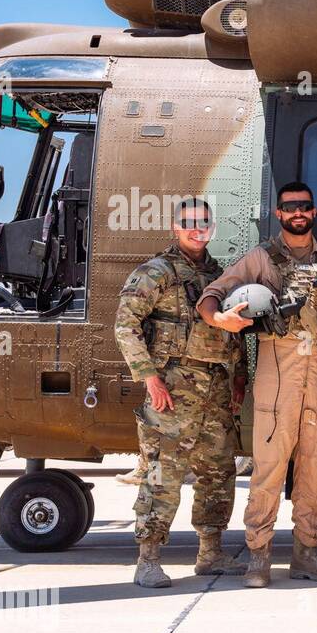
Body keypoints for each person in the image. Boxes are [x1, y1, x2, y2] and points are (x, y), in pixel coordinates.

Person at [197, 182, 317, 588]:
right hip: (276, 375)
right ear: (279, 213)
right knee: (267, 471)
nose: (298, 213)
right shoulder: (261, 260)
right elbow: (211, 295)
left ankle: (307, 553)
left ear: (314, 212)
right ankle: (258, 555)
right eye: (290, 208)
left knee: (315, 475)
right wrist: (220, 319)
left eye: (304, 206)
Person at [114, 198, 246, 588]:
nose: (196, 229)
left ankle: (211, 553)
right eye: (188, 223)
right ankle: (149, 558)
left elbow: (232, 333)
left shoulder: (219, 277)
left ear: (212, 228)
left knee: (218, 473)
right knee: (162, 474)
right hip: (171, 392)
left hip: (215, 393)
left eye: (203, 223)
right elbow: (125, 326)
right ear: (176, 227)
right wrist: (149, 378)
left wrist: (238, 378)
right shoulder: (157, 273)